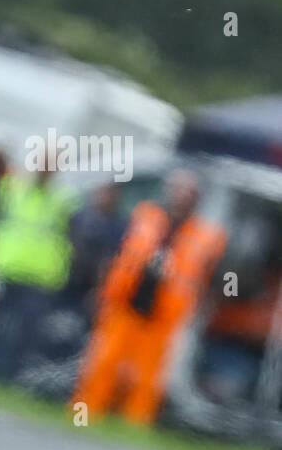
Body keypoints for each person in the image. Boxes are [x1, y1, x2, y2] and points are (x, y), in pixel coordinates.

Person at [71, 169, 226, 424]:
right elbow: (114, 252)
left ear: (197, 199)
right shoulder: (145, 216)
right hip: (124, 303)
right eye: (177, 191)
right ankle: (83, 416)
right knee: (102, 363)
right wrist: (100, 287)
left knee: (146, 377)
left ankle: (135, 425)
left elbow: (223, 277)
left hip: (163, 315)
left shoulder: (206, 236)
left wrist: (213, 300)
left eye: (187, 194)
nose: (180, 198)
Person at [0, 165, 77, 379]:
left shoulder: (63, 199)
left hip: (38, 275)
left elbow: (72, 237)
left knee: (26, 333)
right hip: (5, 266)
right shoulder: (13, 188)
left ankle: (9, 375)